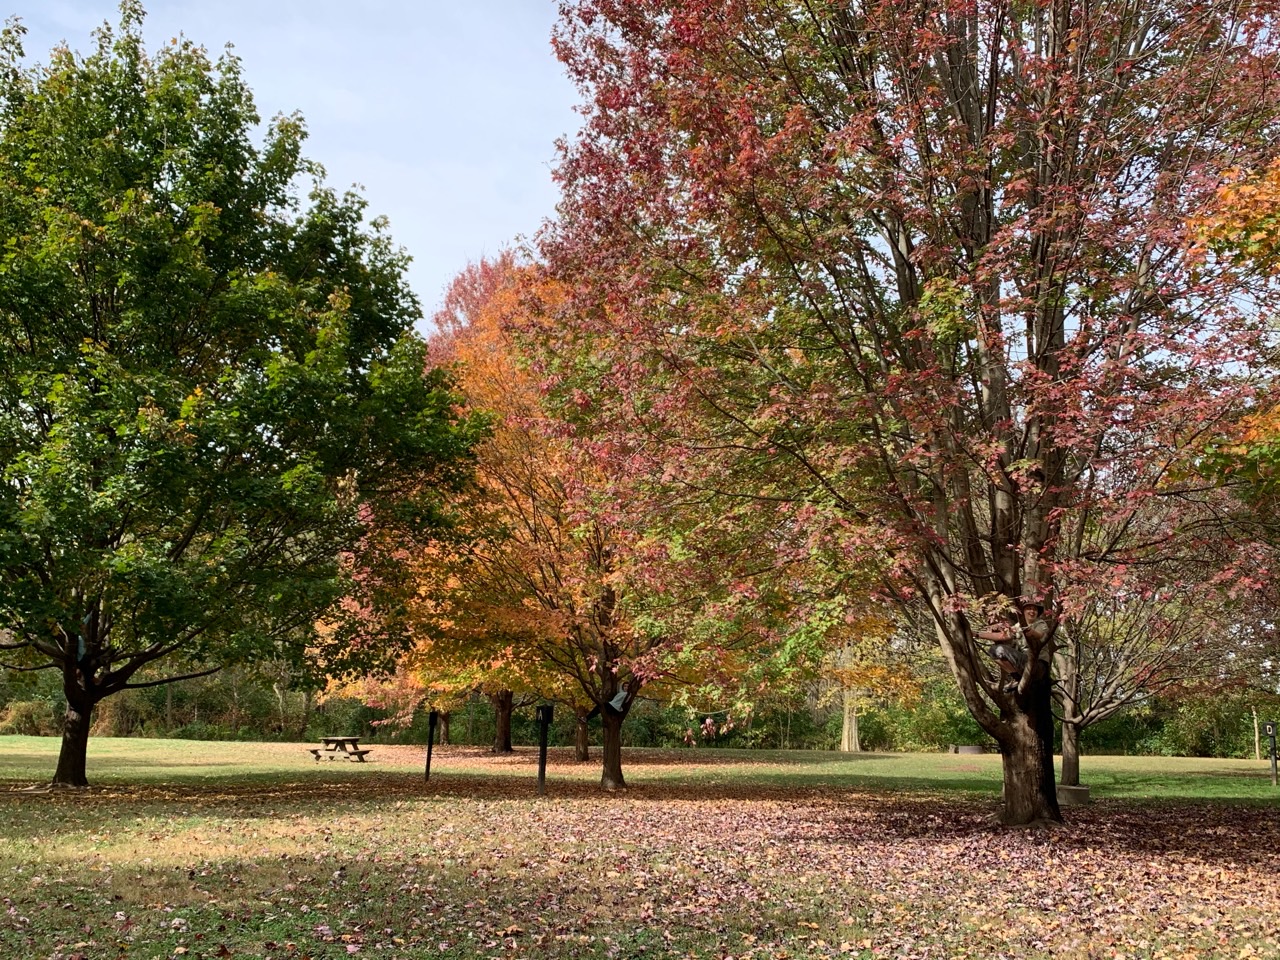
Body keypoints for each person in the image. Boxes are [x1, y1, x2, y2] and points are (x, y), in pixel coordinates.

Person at [977, 598, 1051, 694]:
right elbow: (1002, 636)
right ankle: (1017, 677)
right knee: (993, 650)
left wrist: (1032, 633)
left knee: (1000, 649)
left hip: (1038, 665)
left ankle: (1020, 678)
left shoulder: (1041, 623)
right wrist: (977, 634)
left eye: (1035, 609)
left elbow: (1040, 634)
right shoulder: (1018, 626)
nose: (1032, 611)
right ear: (1023, 612)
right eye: (1029, 609)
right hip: (1024, 663)